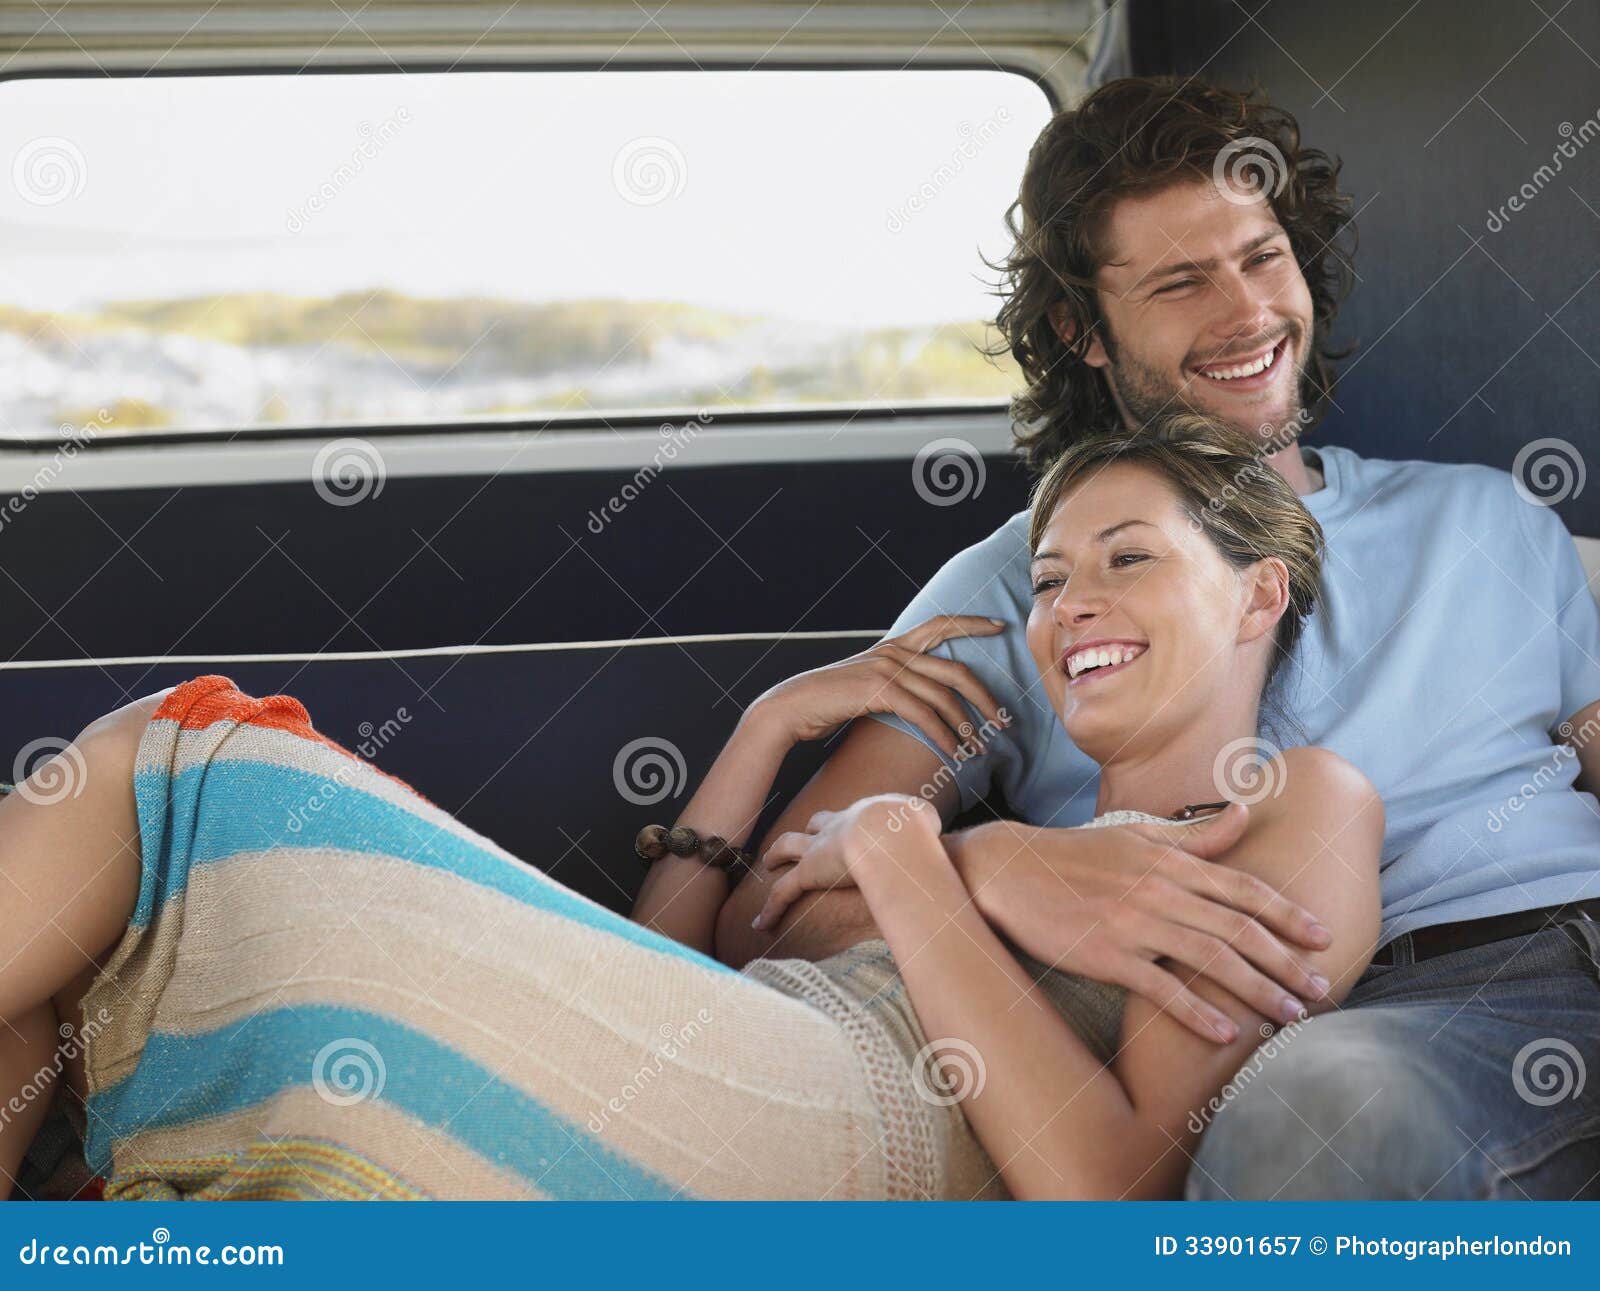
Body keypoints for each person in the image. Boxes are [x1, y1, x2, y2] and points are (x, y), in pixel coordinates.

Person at [1, 418, 1371, 1202]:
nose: (1071, 605)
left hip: (847, 1142)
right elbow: (676, 970)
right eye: (1054, 577)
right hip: (724, 1061)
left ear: (1259, 593)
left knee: (183, 771)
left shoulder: (1302, 800)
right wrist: (773, 727)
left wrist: (914, 862)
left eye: (1127, 558)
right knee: (52, 978)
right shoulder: (973, 792)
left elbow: (1113, 1195)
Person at [714, 76, 1600, 1200]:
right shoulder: (1016, 592)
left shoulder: (1490, 520)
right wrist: (998, 868)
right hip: (1274, 1036)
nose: (1246, 314)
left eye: (1262, 258)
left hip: (1542, 964)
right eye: (1181, 281)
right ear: (1080, 329)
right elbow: (768, 927)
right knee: (1317, 1113)